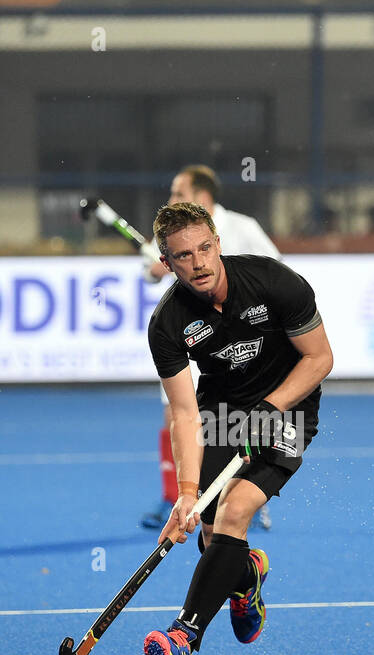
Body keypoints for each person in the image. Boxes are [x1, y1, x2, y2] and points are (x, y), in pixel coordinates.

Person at [142, 201, 333, 655]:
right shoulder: (167, 324)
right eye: (183, 256)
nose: (199, 262)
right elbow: (184, 413)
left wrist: (270, 409)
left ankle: (182, 637)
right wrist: (185, 493)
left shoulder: (274, 282)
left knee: (234, 511)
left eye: (205, 248)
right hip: (222, 411)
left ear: (218, 243)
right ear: (167, 263)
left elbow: (319, 358)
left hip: (289, 405)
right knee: (209, 531)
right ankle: (245, 577)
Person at [139, 164, 280, 532]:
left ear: (202, 198)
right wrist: (156, 270)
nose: (171, 200)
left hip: (239, 344)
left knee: (246, 424)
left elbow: (275, 269)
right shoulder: (170, 235)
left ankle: (251, 495)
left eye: (178, 193)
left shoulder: (243, 227)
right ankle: (177, 497)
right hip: (191, 336)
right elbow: (147, 270)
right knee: (177, 416)